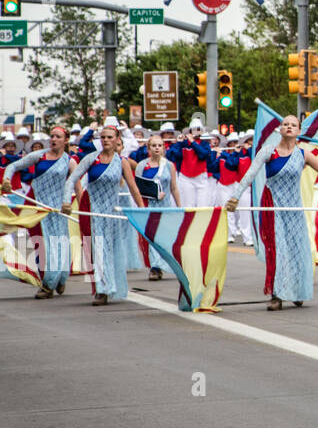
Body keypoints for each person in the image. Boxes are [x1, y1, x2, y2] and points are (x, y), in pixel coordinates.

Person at [223, 115, 318, 311]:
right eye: (285, 124)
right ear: (280, 128)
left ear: (299, 131)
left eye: (293, 125)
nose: (288, 127)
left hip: (294, 209)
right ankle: (276, 294)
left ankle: (297, 291)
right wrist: (235, 197)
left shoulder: (303, 153)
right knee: (277, 251)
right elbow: (250, 174)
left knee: (298, 250)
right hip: (272, 207)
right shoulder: (269, 151)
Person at [65, 124, 147, 305]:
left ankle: (111, 286)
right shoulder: (91, 158)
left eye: (110, 137)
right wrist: (66, 201)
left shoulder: (122, 162)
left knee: (111, 250)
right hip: (93, 212)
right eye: (103, 137)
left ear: (118, 139)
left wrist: (142, 209)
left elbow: (133, 187)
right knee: (99, 250)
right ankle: (102, 290)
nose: (106, 140)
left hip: (112, 214)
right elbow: (72, 178)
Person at [1, 125, 76, 298]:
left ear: (66, 140)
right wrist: (6, 179)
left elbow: (74, 183)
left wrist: (70, 202)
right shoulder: (39, 156)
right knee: (46, 244)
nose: (54, 139)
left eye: (58, 137)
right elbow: (13, 167)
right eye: (52, 136)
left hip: (59, 209)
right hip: (39, 208)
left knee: (61, 242)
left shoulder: (70, 162)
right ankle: (48, 284)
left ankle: (61, 278)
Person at [135, 134, 182, 281]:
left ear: (163, 148)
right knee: (152, 237)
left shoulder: (169, 165)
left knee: (165, 237)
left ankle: (167, 265)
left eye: (159, 145)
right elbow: (137, 187)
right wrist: (151, 195)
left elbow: (174, 187)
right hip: (150, 206)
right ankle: (155, 267)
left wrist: (179, 206)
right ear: (148, 148)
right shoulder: (142, 165)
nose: (157, 148)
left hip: (165, 206)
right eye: (153, 145)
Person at [166, 117, 216, 212]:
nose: (197, 131)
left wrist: (193, 142)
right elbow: (171, 156)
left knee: (203, 206)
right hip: (186, 178)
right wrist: (178, 143)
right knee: (188, 206)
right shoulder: (184, 143)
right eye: (195, 129)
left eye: (199, 129)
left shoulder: (204, 144)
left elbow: (203, 155)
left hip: (201, 176)